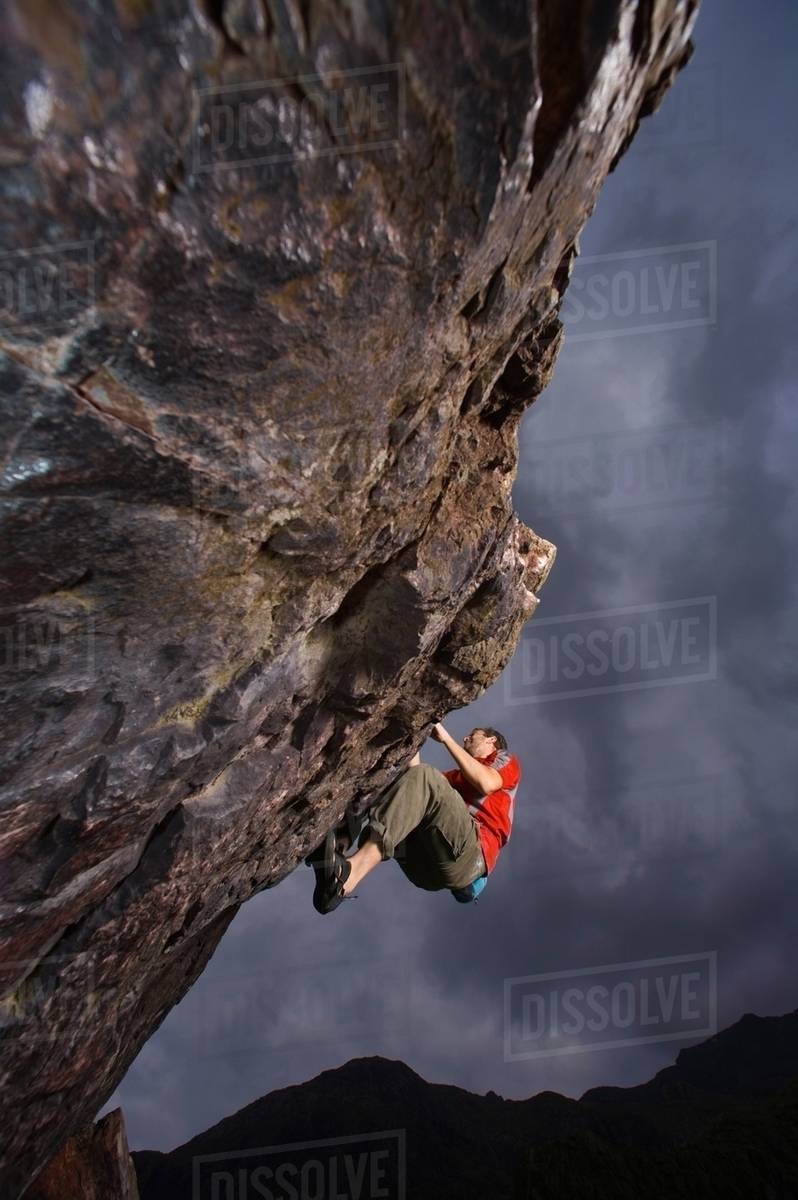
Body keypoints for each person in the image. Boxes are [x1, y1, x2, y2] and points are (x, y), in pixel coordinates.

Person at [310, 723, 521, 915]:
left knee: (427, 777)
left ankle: (347, 876)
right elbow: (413, 783)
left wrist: (445, 738)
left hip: (469, 856)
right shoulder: (455, 778)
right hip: (427, 872)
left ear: (490, 740)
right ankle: (336, 848)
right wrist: (417, 733)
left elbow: (485, 783)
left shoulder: (504, 761)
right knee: (389, 784)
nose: (466, 738)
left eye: (473, 735)